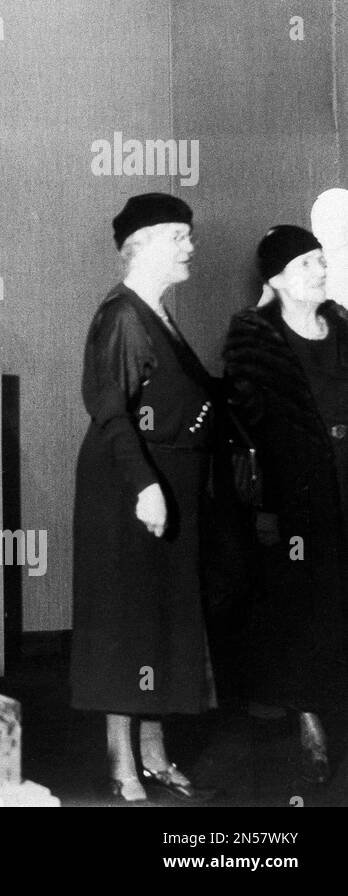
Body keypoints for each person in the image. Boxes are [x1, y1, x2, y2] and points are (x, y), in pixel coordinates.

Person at [69, 193, 217, 803]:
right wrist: (147, 487)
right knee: (127, 623)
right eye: (179, 236)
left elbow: (200, 395)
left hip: (167, 484)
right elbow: (110, 411)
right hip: (129, 489)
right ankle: (121, 763)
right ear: (144, 243)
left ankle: (154, 755)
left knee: (160, 623)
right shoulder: (123, 315)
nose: (190, 246)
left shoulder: (156, 313)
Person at [222, 225, 348, 784]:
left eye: (322, 260)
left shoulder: (343, 328)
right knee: (301, 608)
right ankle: (309, 720)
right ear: (277, 279)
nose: (321, 270)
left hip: (346, 487)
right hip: (295, 499)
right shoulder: (256, 338)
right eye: (307, 264)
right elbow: (246, 430)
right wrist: (266, 508)